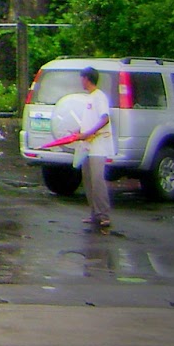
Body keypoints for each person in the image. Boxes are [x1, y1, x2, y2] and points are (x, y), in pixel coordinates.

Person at [74, 66, 115, 232]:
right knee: (88, 180)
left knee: (98, 180)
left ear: (86, 78)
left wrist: (90, 133)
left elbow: (104, 119)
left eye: (82, 78)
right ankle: (94, 213)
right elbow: (89, 120)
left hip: (98, 145)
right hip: (87, 146)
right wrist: (80, 133)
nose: (81, 81)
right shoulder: (89, 98)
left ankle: (104, 214)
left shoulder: (99, 97)